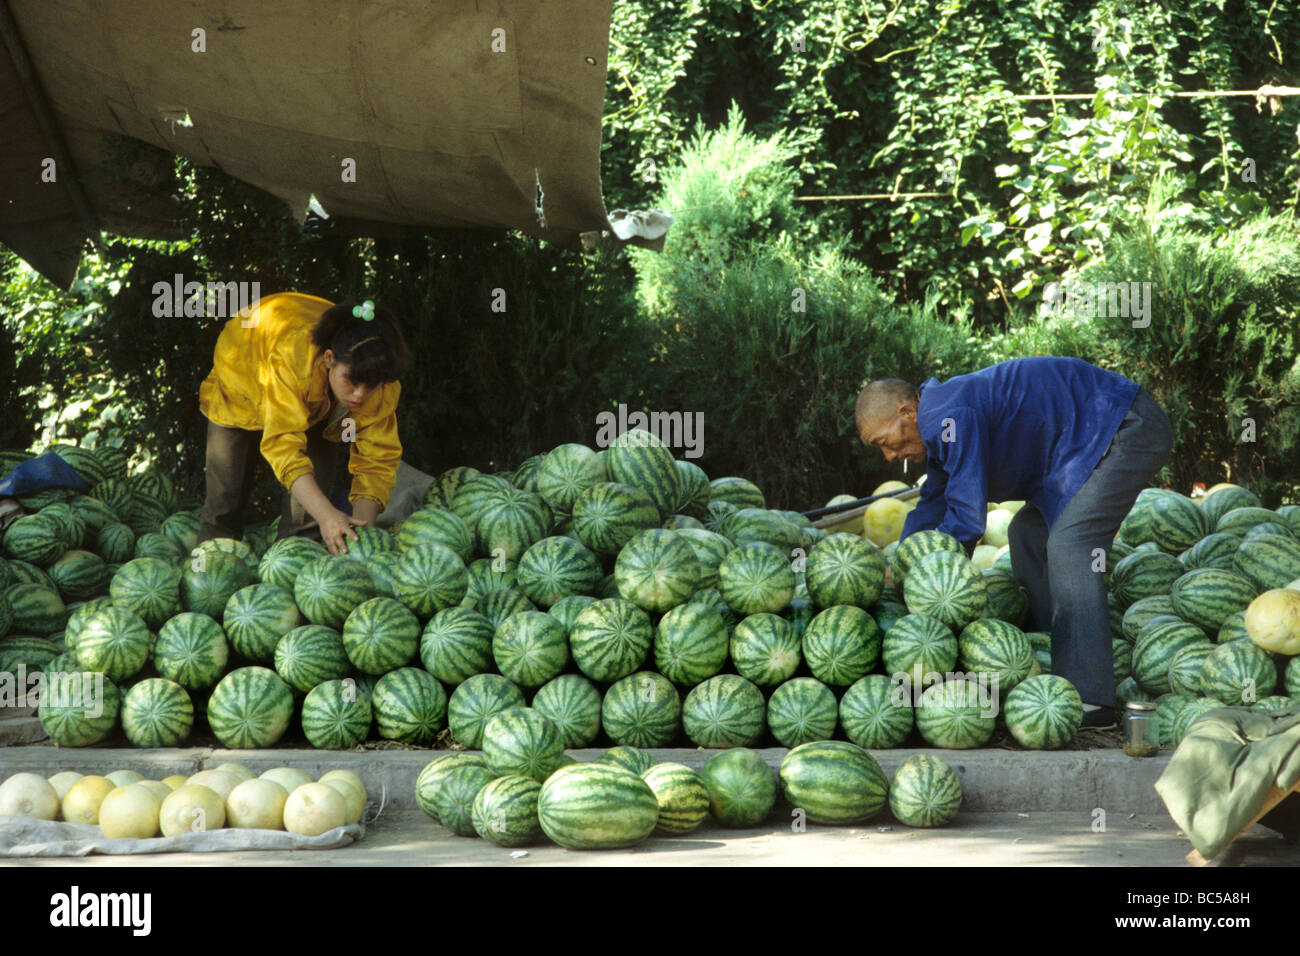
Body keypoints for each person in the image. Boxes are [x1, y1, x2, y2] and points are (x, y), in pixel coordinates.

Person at [855, 356, 1173, 727]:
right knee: (1026, 535)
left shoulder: (950, 414)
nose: (889, 456)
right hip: (1085, 447)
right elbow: (933, 503)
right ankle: (1049, 654)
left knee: (1071, 545)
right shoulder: (940, 425)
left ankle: (1088, 699)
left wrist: (933, 582)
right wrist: (901, 562)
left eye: (884, 442)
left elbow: (967, 516)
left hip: (1124, 427)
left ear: (906, 411)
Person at [196, 291, 407, 555]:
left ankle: (289, 577)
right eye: (351, 381)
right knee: (224, 505)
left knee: (307, 521)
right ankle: (206, 573)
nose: (360, 395)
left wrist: (363, 536)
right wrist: (328, 515)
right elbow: (282, 446)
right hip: (243, 376)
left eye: (371, 386)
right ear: (329, 359)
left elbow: (376, 461)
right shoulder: (293, 358)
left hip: (312, 394)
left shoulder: (381, 381)